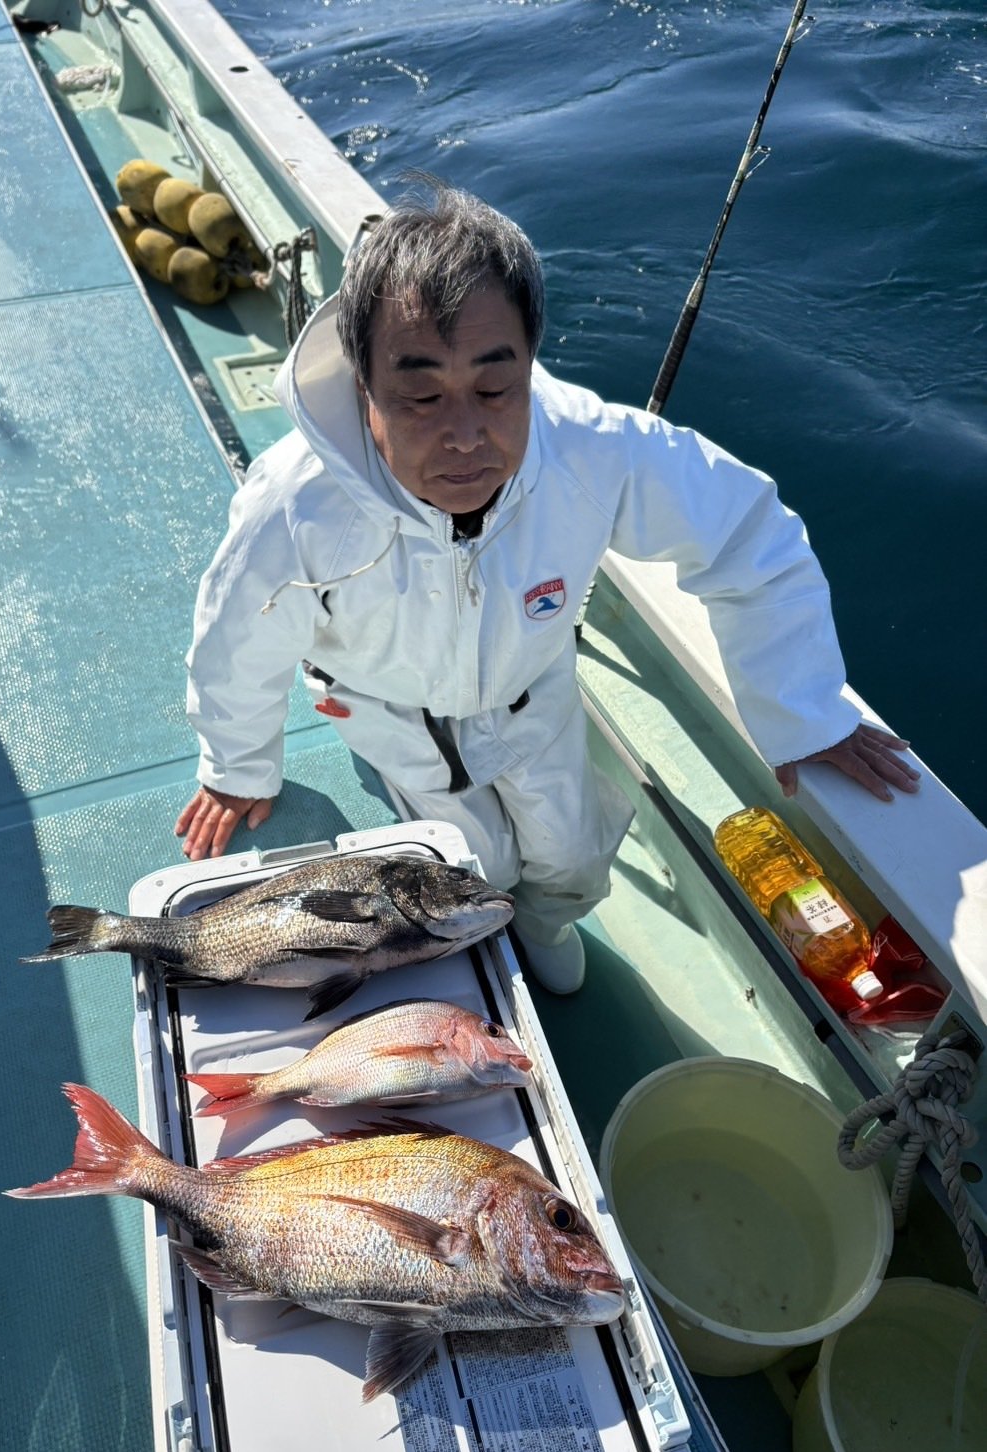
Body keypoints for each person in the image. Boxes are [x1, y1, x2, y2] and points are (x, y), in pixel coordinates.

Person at [175, 180, 918, 994]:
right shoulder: (293, 504)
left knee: (573, 858)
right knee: (471, 867)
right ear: (362, 385)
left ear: (530, 362)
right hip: (390, 712)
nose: (465, 435)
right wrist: (237, 764)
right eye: (420, 395)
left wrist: (803, 713)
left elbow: (747, 532)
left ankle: (548, 919)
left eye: (497, 388)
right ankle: (488, 902)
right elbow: (236, 636)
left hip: (536, 695)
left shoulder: (590, 448)